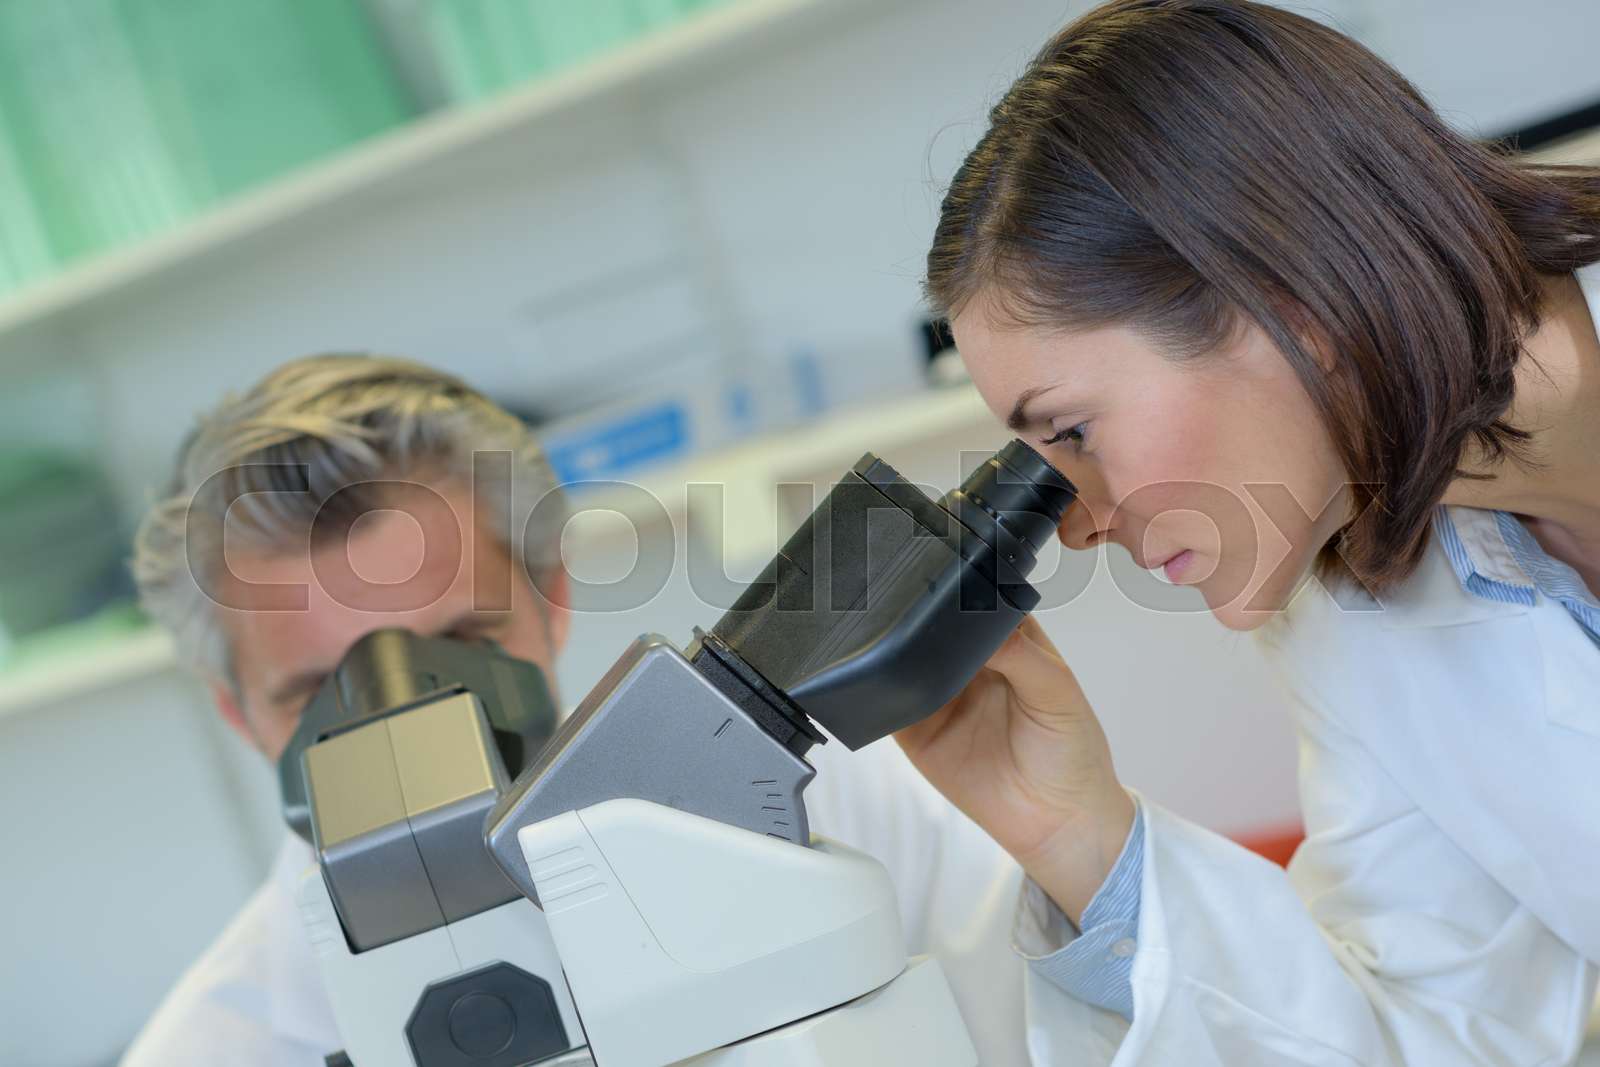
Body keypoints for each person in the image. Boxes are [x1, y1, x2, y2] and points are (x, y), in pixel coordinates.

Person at [900, 0, 1600, 1063]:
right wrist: (1086, 836)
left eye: (1074, 429)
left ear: (1282, 295)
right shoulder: (1359, 616)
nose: (1076, 524)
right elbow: (1430, 1033)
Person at [119, 354, 1039, 1065]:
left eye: (460, 648)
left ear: (551, 596)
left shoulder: (839, 805)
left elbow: (1088, 1024)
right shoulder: (216, 1046)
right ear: (238, 716)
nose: (405, 731)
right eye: (319, 696)